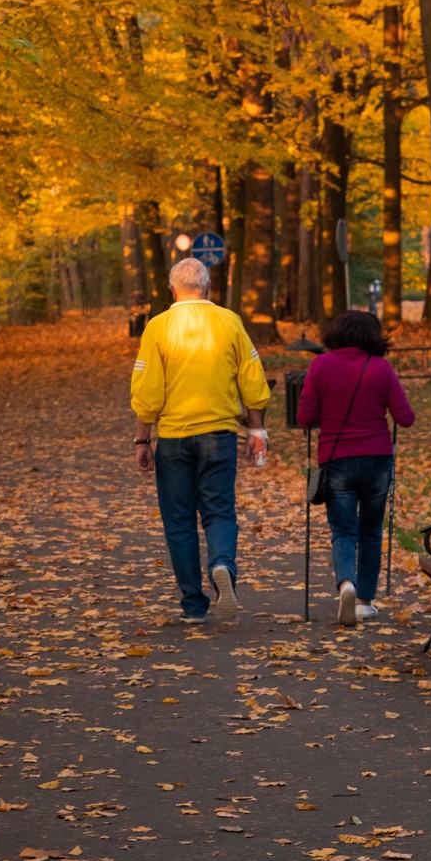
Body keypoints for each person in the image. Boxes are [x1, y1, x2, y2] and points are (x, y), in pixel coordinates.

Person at [130, 255, 271, 624]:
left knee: (178, 521)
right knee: (219, 511)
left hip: (173, 438)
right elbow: (252, 379)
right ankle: (222, 564)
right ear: (207, 288)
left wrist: (142, 440)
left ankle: (193, 605)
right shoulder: (229, 321)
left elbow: (148, 391)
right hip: (219, 434)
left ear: (172, 290)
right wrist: (256, 430)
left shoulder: (158, 327)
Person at [297, 309, 415, 627]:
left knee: (343, 531)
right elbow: (405, 417)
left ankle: (345, 583)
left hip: (336, 460)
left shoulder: (320, 365)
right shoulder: (381, 368)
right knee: (372, 531)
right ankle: (364, 601)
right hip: (377, 459)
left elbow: (305, 417)